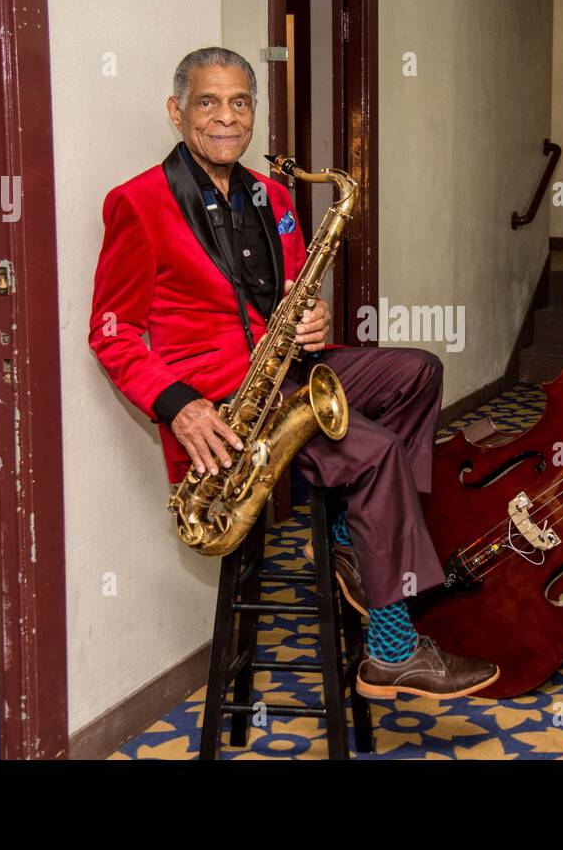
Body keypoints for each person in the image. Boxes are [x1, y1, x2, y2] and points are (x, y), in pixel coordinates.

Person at [88, 47, 499, 700]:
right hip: (229, 406)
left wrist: (314, 319)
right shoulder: (137, 203)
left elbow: (292, 296)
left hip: (290, 371)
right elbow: (111, 330)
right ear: (176, 111)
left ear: (254, 111)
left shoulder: (273, 196)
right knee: (374, 451)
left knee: (418, 371)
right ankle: (391, 649)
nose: (226, 117)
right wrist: (177, 405)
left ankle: (351, 540)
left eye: (239, 102)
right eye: (207, 102)